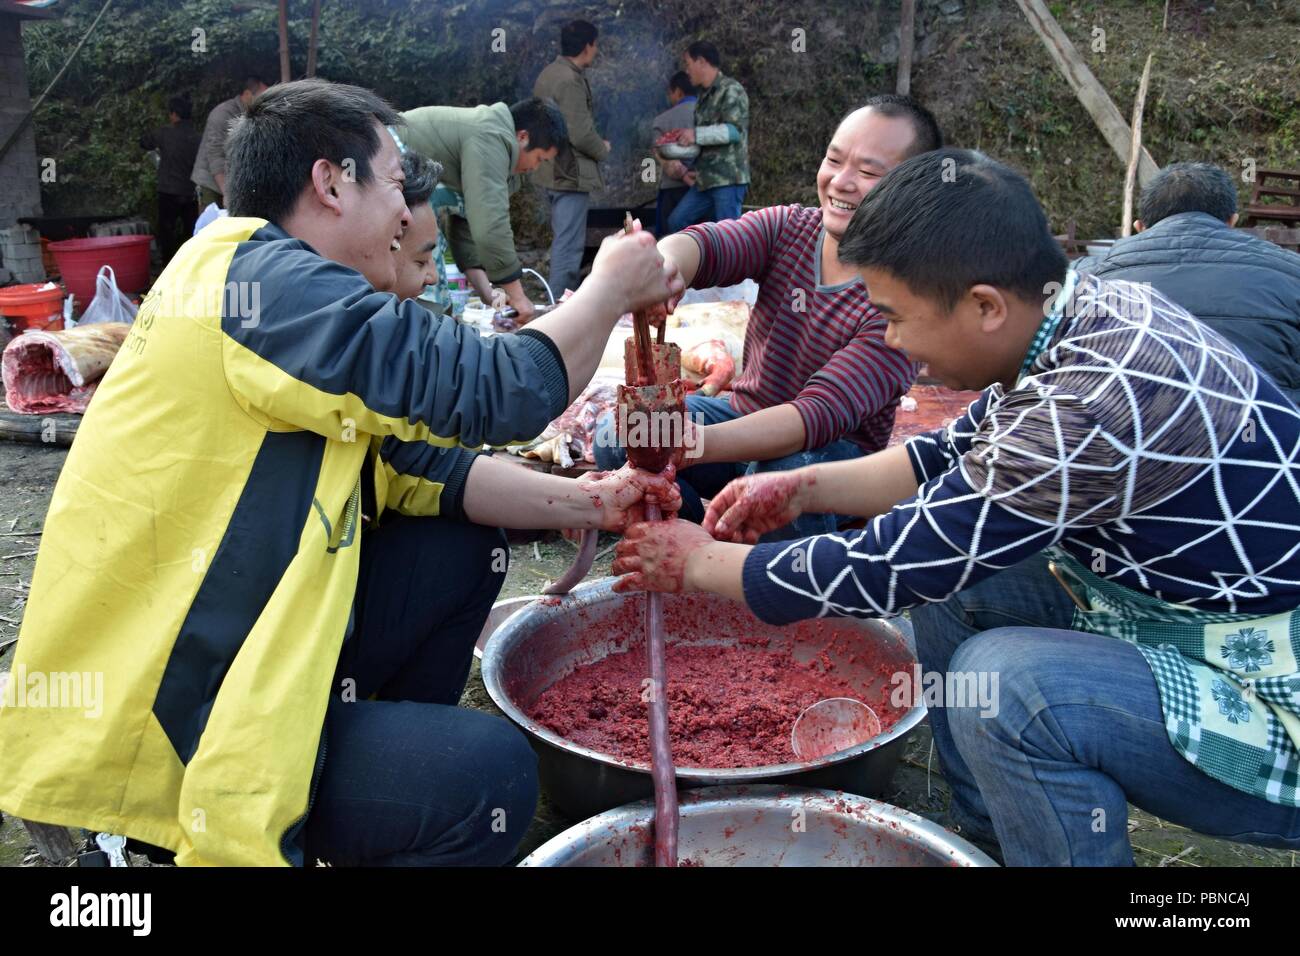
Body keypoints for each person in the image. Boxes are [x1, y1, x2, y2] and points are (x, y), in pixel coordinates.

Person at [0, 79, 682, 868]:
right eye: (393, 182)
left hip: (257, 672)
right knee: (489, 775)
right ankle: (141, 844)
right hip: (173, 724)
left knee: (458, 544)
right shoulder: (255, 287)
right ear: (331, 183)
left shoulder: (280, 300)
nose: (404, 213)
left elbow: (432, 473)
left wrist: (593, 503)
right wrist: (608, 287)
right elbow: (503, 390)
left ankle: (367, 784)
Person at [613, 148, 1300, 867]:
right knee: (959, 590)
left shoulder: (1088, 407)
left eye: (896, 317)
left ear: (983, 306)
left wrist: (697, 561)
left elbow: (882, 570)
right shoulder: (1081, 311)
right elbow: (942, 455)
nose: (891, 340)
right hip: (1170, 605)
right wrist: (802, 489)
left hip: (1263, 685)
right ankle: (997, 830)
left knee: (1005, 688)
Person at [594, 95, 942, 537]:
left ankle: (760, 573)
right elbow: (708, 246)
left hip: (827, 454)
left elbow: (815, 415)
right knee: (621, 432)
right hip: (739, 418)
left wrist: (689, 442)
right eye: (834, 159)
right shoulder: (790, 227)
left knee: (779, 474)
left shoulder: (903, 302)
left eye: (869, 172)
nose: (842, 181)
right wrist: (660, 268)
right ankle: (692, 547)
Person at [1075, 161, 1300, 405]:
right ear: (1233, 221)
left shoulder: (1083, 278)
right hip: (1262, 437)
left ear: (1139, 227)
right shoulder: (1292, 272)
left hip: (1123, 434)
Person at [398, 97, 567, 321]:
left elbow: (467, 227)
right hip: (387, 163)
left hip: (407, 184)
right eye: (539, 159)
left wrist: (490, 295)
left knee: (432, 293)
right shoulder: (490, 136)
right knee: (427, 286)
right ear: (523, 137)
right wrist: (518, 296)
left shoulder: (493, 151)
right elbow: (491, 225)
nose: (534, 168)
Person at [532, 19, 609, 298]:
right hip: (569, 173)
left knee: (562, 241)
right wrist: (602, 149)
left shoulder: (549, 73)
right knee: (569, 246)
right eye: (595, 45)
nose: (596, 51)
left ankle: (557, 303)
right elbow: (580, 133)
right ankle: (559, 309)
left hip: (550, 170)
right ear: (588, 46)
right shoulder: (569, 80)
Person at [663, 41, 749, 234]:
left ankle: (731, 265)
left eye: (688, 64)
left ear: (701, 62)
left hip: (728, 179)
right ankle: (701, 261)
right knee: (677, 222)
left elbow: (733, 131)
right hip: (705, 180)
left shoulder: (731, 90)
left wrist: (695, 135)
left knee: (729, 237)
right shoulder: (702, 96)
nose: (687, 71)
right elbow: (705, 140)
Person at [191, 76, 268, 209]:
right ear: (248, 94)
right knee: (211, 226)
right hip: (211, 182)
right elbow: (215, 156)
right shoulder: (222, 114)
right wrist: (227, 193)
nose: (266, 101)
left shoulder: (253, 115)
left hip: (233, 182)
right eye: (263, 96)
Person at [139, 94, 201, 263]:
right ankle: (190, 263)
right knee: (191, 231)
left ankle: (167, 265)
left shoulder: (165, 133)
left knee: (167, 231)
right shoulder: (197, 137)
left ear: (174, 114)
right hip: (190, 191)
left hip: (168, 191)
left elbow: (144, 142)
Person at [652, 72, 697, 237]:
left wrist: (682, 173)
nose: (670, 98)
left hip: (672, 191)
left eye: (670, 94)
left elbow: (661, 155)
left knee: (669, 241)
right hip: (706, 188)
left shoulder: (662, 121)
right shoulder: (711, 117)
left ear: (678, 92)